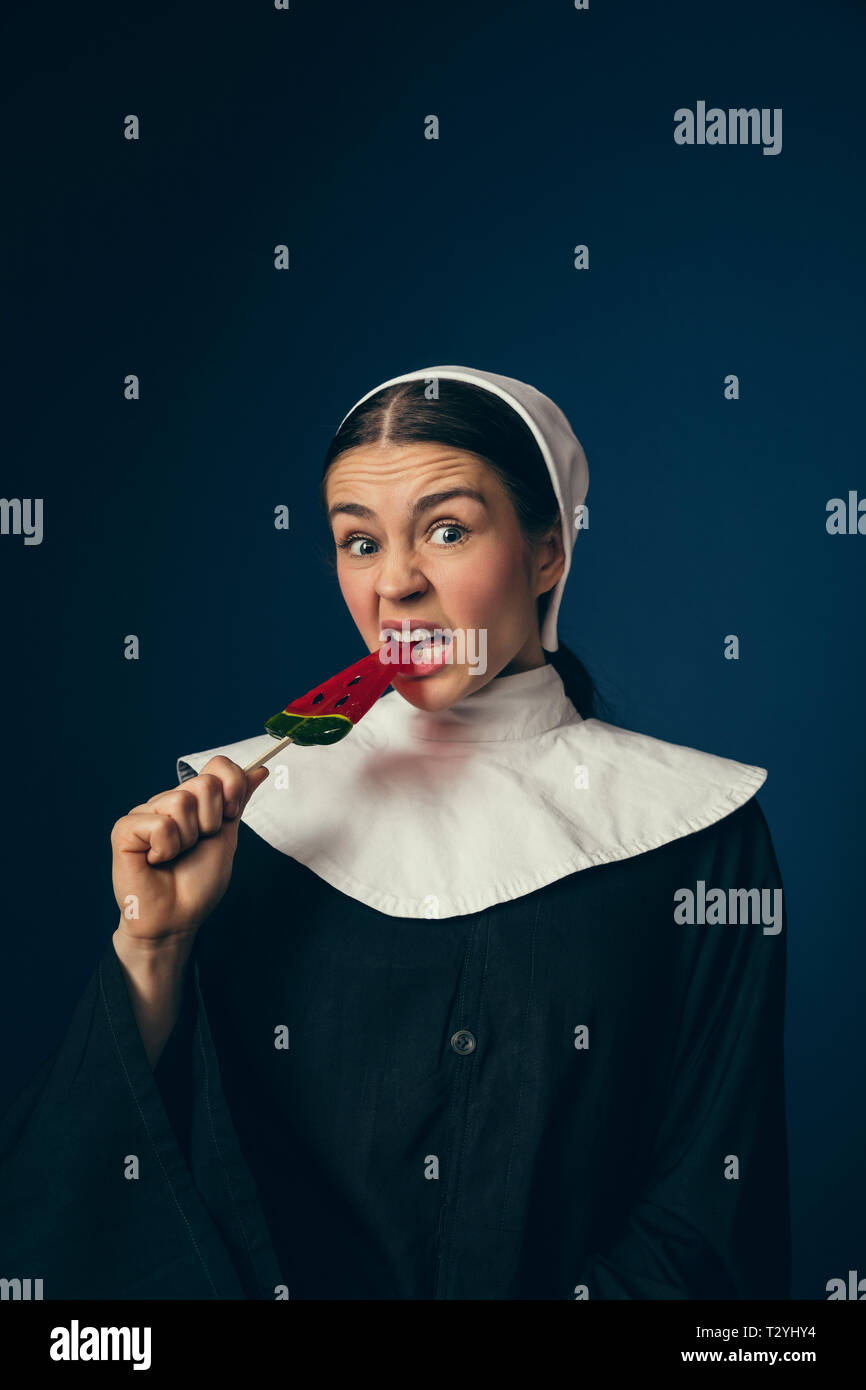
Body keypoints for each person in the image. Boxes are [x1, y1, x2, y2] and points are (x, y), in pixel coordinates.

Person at [0, 366, 790, 1300]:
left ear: (548, 551)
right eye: (359, 542)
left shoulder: (699, 834)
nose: (397, 585)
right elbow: (113, 1201)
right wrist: (153, 951)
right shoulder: (241, 822)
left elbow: (708, 1219)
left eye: (447, 530)